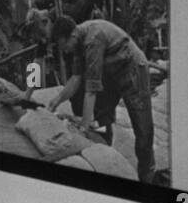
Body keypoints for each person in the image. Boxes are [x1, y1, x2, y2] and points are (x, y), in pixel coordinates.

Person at [47, 15, 155, 182]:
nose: (65, 50)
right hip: (113, 70)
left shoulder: (93, 39)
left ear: (72, 36)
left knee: (142, 128)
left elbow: (91, 91)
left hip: (134, 69)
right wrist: (56, 100)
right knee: (102, 117)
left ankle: (147, 177)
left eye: (64, 45)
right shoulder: (77, 44)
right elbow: (76, 78)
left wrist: (83, 128)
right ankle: (107, 159)